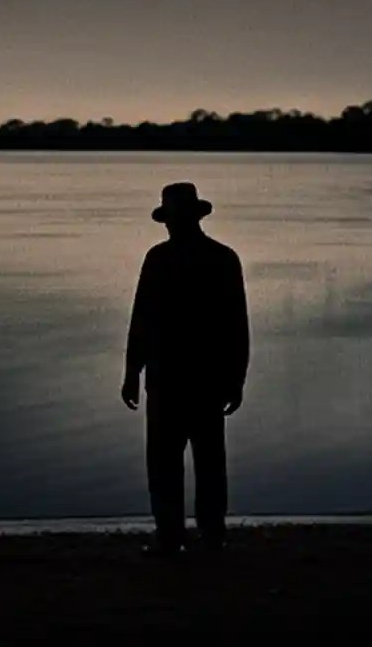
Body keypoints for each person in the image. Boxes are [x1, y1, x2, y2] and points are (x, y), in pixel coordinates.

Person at [121, 182, 250, 556]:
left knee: (178, 462)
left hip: (179, 378)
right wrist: (132, 371)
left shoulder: (176, 259)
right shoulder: (219, 258)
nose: (171, 225)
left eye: (173, 218)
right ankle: (196, 534)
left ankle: (181, 535)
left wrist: (133, 371)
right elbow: (143, 319)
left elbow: (142, 320)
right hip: (188, 378)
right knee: (194, 462)